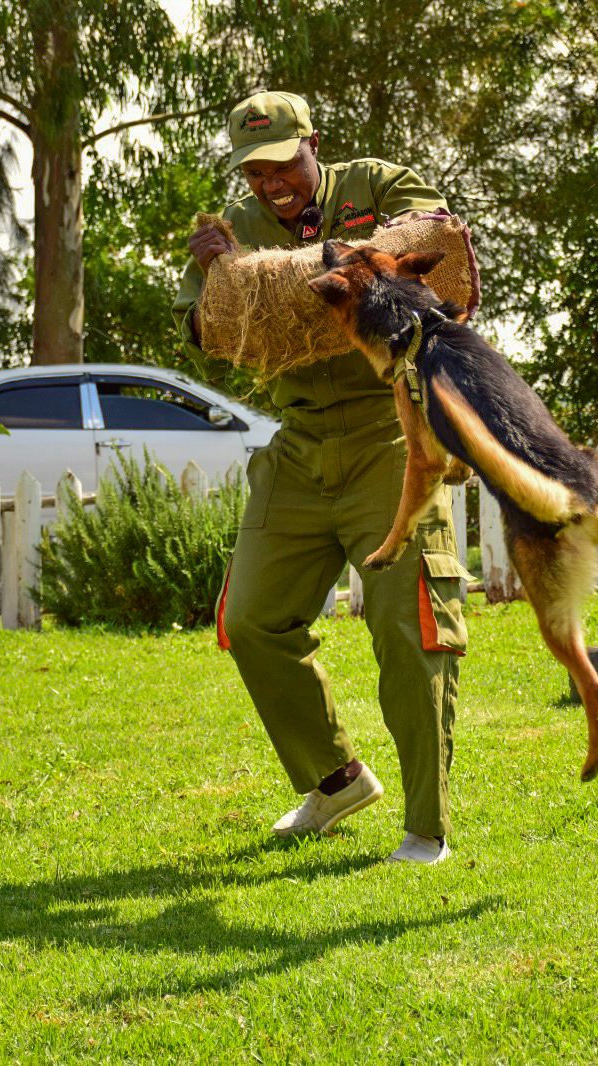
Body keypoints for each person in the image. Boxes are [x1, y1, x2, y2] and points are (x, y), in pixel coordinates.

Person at [171, 91, 468, 865]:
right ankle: (335, 780)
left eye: (282, 164)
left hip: (390, 434)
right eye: (254, 171)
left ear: (312, 143)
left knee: (408, 623)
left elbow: (438, 238)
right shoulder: (233, 228)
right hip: (299, 442)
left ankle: (426, 828)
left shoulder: (375, 185)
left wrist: (287, 274)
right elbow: (202, 331)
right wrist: (219, 277)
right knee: (252, 619)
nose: (271, 183)